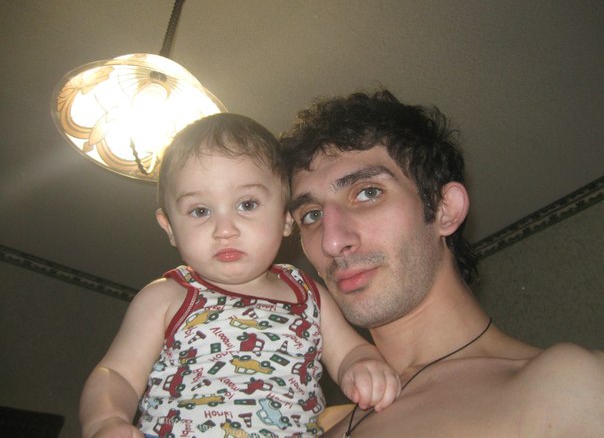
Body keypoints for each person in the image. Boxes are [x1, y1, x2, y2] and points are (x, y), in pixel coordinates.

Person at [280, 89, 604, 437]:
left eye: (368, 192)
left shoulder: (570, 387)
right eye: (311, 215)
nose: (331, 241)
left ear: (445, 210)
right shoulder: (312, 425)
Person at [79, 113, 401, 438]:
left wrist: (363, 366)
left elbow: (349, 351)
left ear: (286, 218)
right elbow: (117, 374)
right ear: (170, 227)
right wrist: (106, 421)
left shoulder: (308, 295)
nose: (225, 229)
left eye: (247, 204)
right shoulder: (166, 296)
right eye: (200, 211)